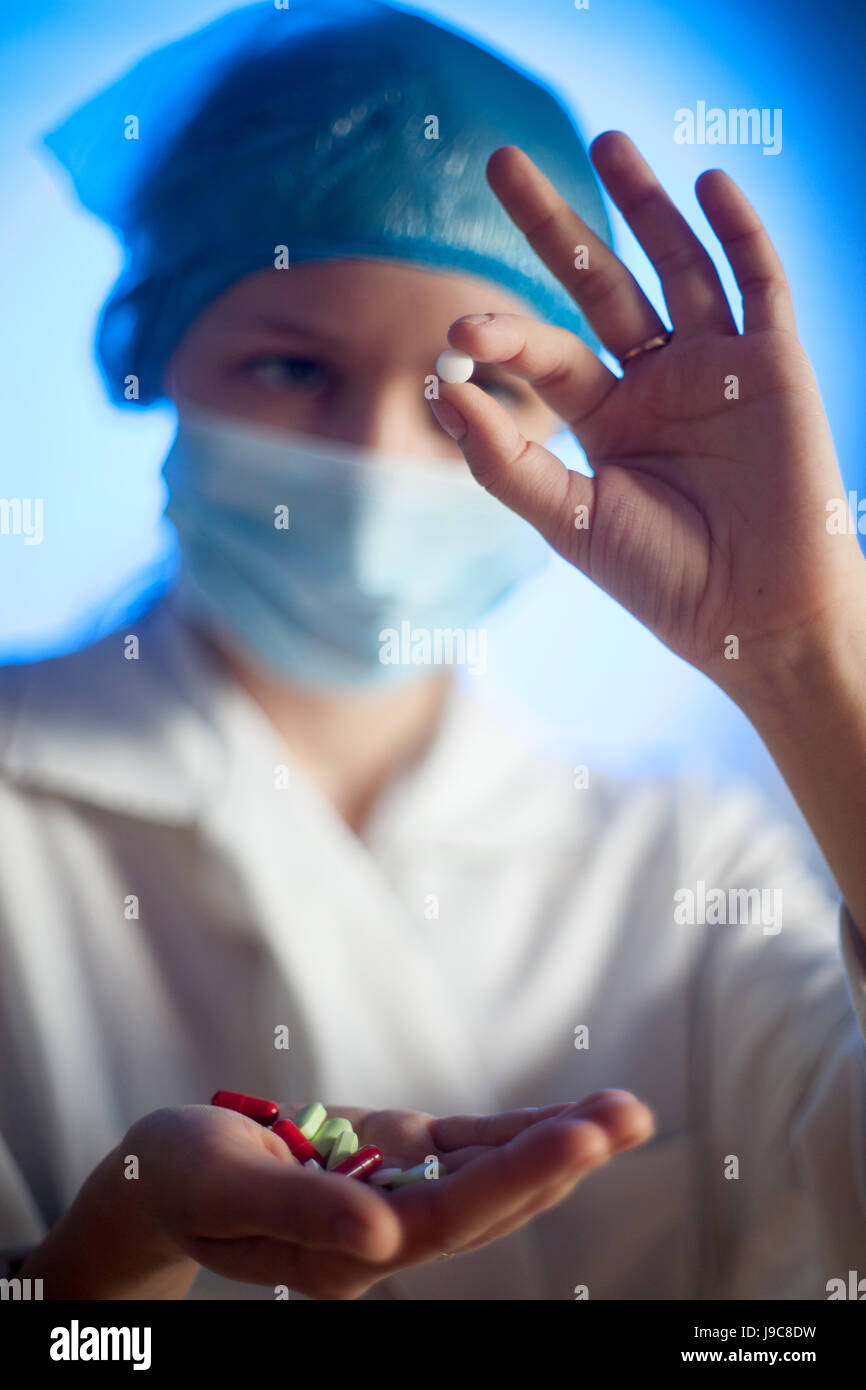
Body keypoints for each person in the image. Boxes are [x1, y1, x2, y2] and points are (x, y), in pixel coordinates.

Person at [1, 0, 865, 1302]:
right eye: (291, 368)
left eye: (480, 390)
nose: (371, 459)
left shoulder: (691, 872)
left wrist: (806, 664)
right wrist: (103, 1261)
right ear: (147, 352)